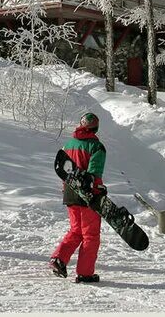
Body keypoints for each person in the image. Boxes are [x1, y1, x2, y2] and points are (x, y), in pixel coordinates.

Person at [50, 112, 106, 283]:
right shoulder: (96, 147)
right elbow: (94, 173)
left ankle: (59, 259)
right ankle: (85, 273)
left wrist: (66, 189)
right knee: (90, 235)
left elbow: (64, 169)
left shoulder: (68, 144)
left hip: (70, 192)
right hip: (88, 195)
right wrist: (97, 191)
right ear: (95, 127)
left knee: (76, 230)